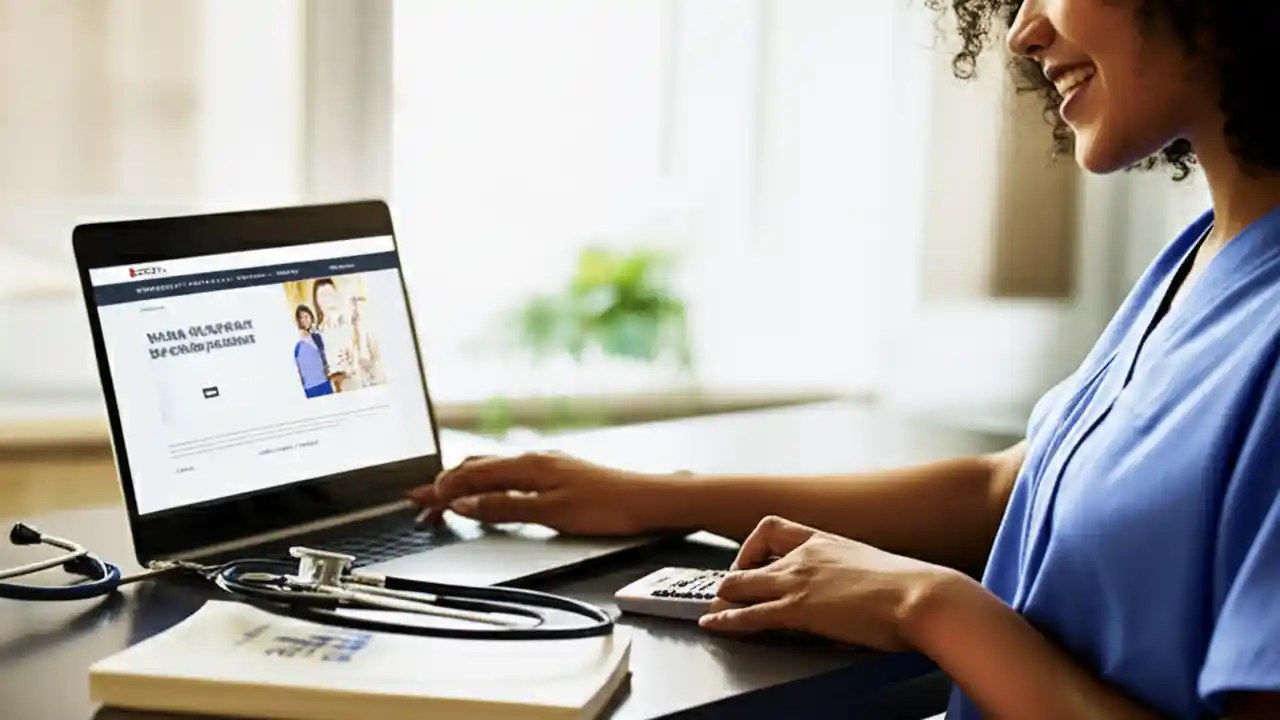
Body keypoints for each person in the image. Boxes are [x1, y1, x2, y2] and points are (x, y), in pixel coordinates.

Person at [410, 2, 1280, 718]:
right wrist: (656, 497)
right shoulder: (1204, 254)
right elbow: (1006, 491)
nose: (1022, 29)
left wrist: (926, 605)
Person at [313, 277, 384, 392]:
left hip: (358, 375)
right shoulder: (318, 331)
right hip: (338, 383)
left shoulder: (347, 319)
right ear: (317, 301)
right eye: (323, 297)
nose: (328, 301)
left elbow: (361, 345)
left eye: (330, 295)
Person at [292, 304, 333, 398]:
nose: (304, 320)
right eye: (301, 318)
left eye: (306, 316)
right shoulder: (297, 342)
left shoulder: (317, 337)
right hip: (310, 388)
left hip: (324, 383)